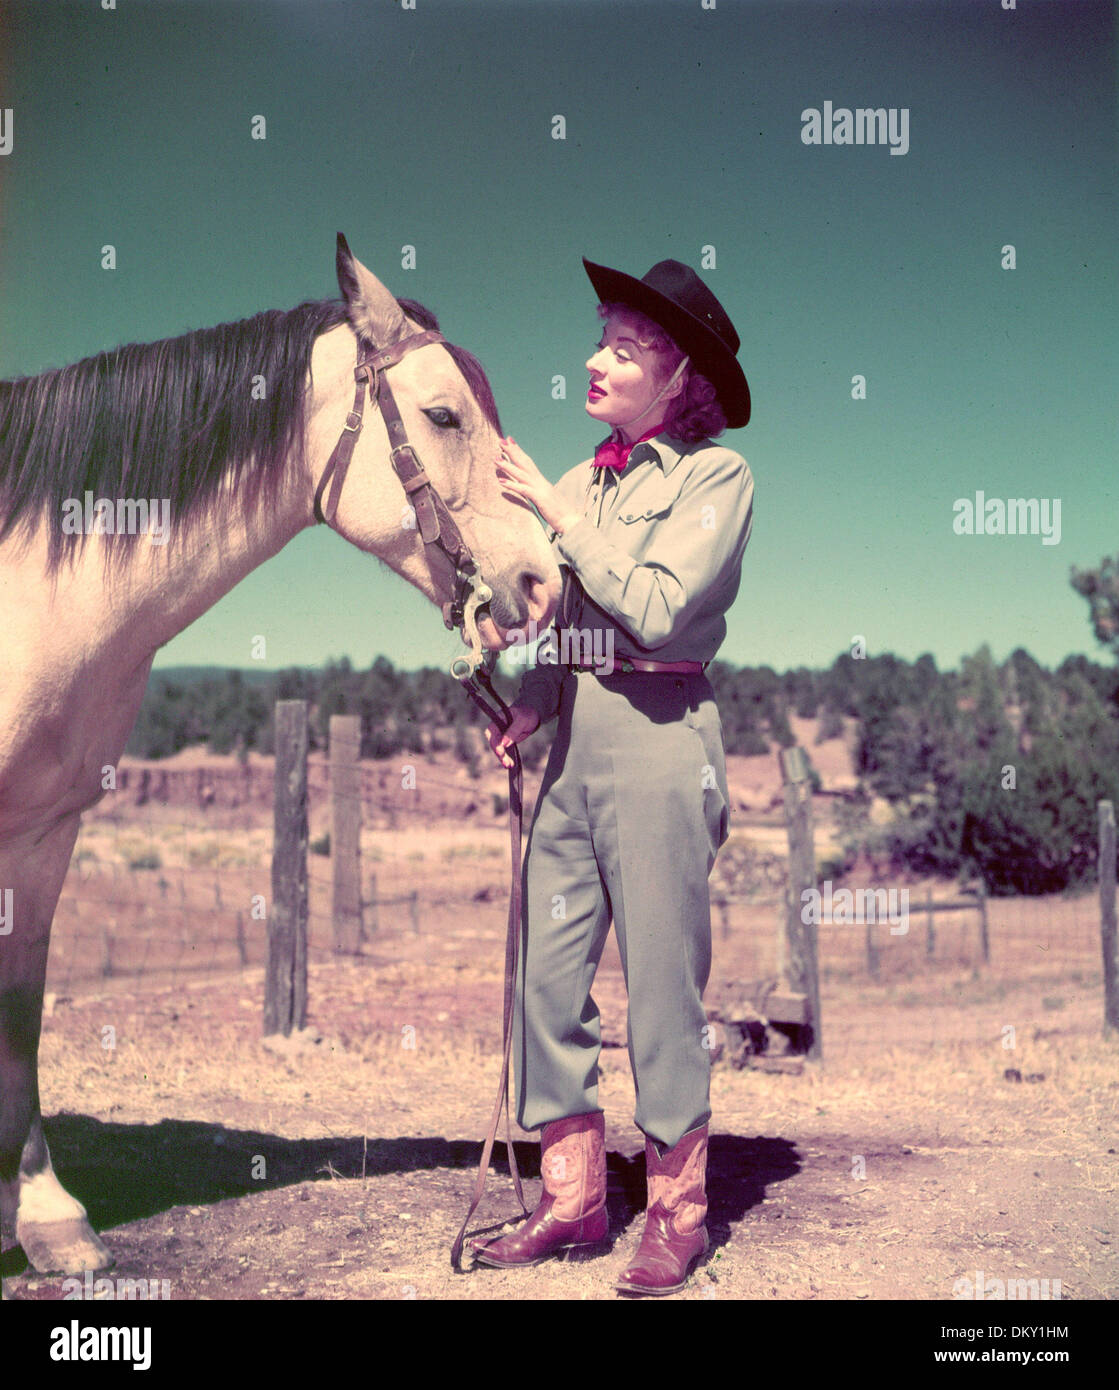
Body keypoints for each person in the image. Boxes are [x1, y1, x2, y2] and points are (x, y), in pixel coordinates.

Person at [473, 256, 754, 1296]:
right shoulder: (586, 480)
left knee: (662, 989)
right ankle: (573, 1197)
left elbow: (657, 608)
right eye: (599, 339)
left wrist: (554, 507)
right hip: (577, 739)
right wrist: (534, 705)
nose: (595, 360)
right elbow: (575, 624)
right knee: (545, 977)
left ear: (679, 377)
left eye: (623, 349)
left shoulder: (714, 481)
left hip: (662, 737)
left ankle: (678, 1213)